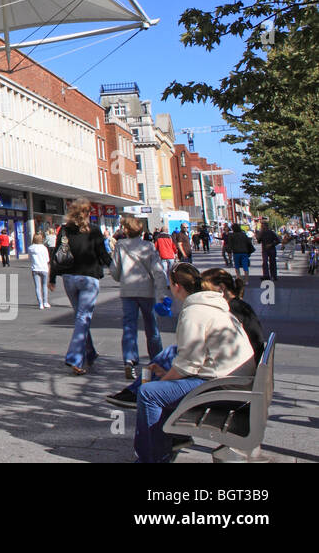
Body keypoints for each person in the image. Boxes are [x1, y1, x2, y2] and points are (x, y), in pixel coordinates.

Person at [128, 263, 255, 463]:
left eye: (170, 285)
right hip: (235, 382)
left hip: (223, 388)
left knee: (148, 393)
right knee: (159, 389)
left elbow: (189, 364)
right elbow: (195, 361)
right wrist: (167, 376)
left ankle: (151, 458)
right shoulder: (213, 305)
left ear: (177, 286)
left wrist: (165, 380)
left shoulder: (193, 312)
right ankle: (167, 444)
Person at [48, 198, 112, 375]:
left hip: (69, 278)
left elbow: (57, 253)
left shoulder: (65, 230)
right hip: (88, 278)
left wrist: (52, 277)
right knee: (83, 317)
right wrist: (116, 269)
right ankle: (74, 358)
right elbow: (103, 254)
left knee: (80, 318)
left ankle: (89, 353)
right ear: (88, 212)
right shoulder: (94, 230)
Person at [109, 215, 165, 379]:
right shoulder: (148, 246)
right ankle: (157, 360)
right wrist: (161, 293)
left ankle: (129, 360)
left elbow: (114, 270)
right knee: (151, 326)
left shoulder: (120, 245)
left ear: (126, 230)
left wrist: (121, 277)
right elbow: (158, 271)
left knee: (129, 327)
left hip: (127, 291)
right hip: (146, 291)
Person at [28, 233, 51, 309]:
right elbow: (47, 259)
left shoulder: (30, 248)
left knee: (37, 287)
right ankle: (45, 302)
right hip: (44, 268)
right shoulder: (44, 248)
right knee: (44, 285)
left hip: (35, 268)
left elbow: (30, 259)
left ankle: (40, 303)